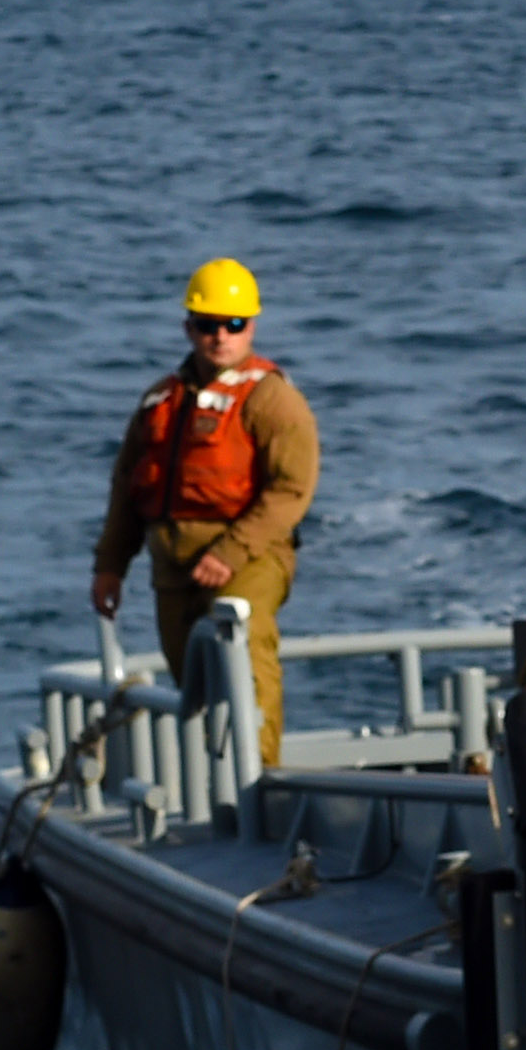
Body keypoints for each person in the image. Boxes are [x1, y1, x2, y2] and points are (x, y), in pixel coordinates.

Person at [90, 258, 317, 767]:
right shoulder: (159, 402)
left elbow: (292, 488)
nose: (221, 336)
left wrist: (233, 551)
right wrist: (109, 566)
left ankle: (262, 784)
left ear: (251, 327)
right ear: (189, 327)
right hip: (174, 567)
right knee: (193, 688)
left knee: (243, 649)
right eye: (208, 324)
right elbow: (127, 489)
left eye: (233, 324)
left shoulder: (271, 399)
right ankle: (216, 784)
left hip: (251, 557)